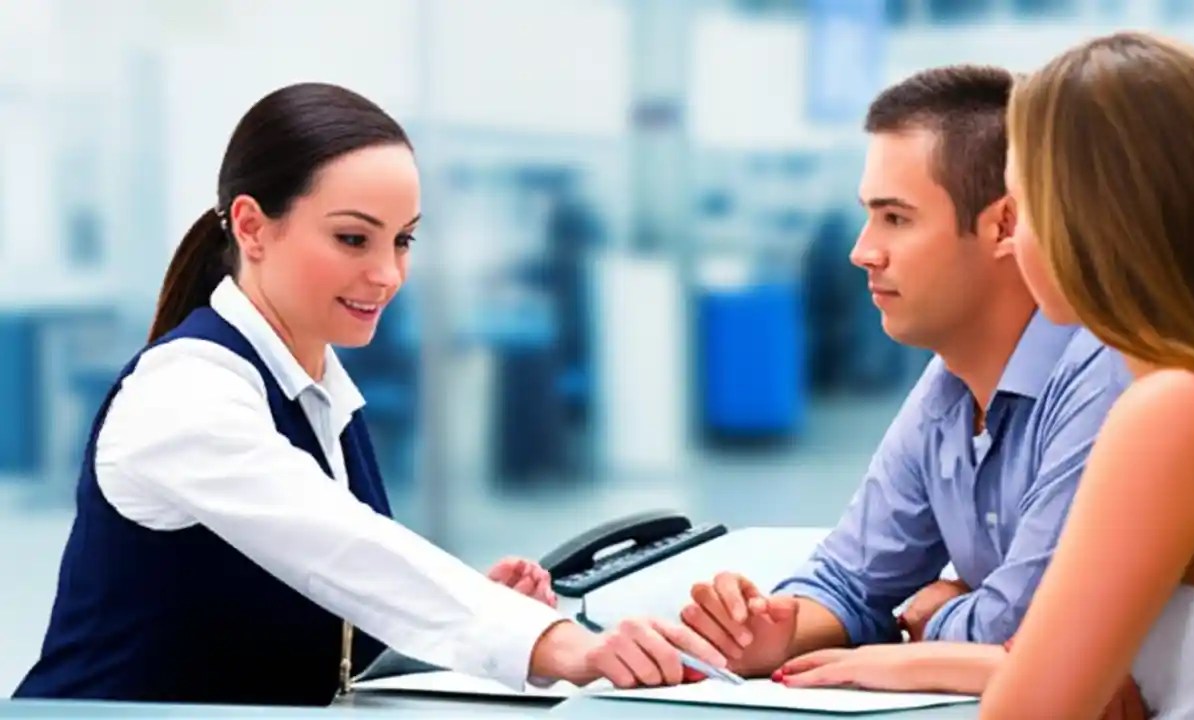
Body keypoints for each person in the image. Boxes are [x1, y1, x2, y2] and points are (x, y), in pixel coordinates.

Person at [13, 82, 717, 705]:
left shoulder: (318, 391)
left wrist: (470, 617)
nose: (388, 274)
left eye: (404, 241)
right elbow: (342, 549)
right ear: (254, 226)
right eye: (354, 238)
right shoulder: (186, 393)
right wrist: (557, 644)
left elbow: (322, 614)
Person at [771, 31, 1194, 719]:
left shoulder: (1171, 412)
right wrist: (977, 654)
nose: (1018, 237)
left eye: (1027, 203)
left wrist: (932, 650)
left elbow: (1027, 709)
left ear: (1094, 217)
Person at [604, 65, 1130, 687]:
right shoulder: (947, 388)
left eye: (895, 219)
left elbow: (1029, 631)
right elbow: (851, 578)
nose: (862, 250)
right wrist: (777, 628)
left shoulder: (1106, 374)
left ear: (1004, 225)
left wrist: (924, 620)